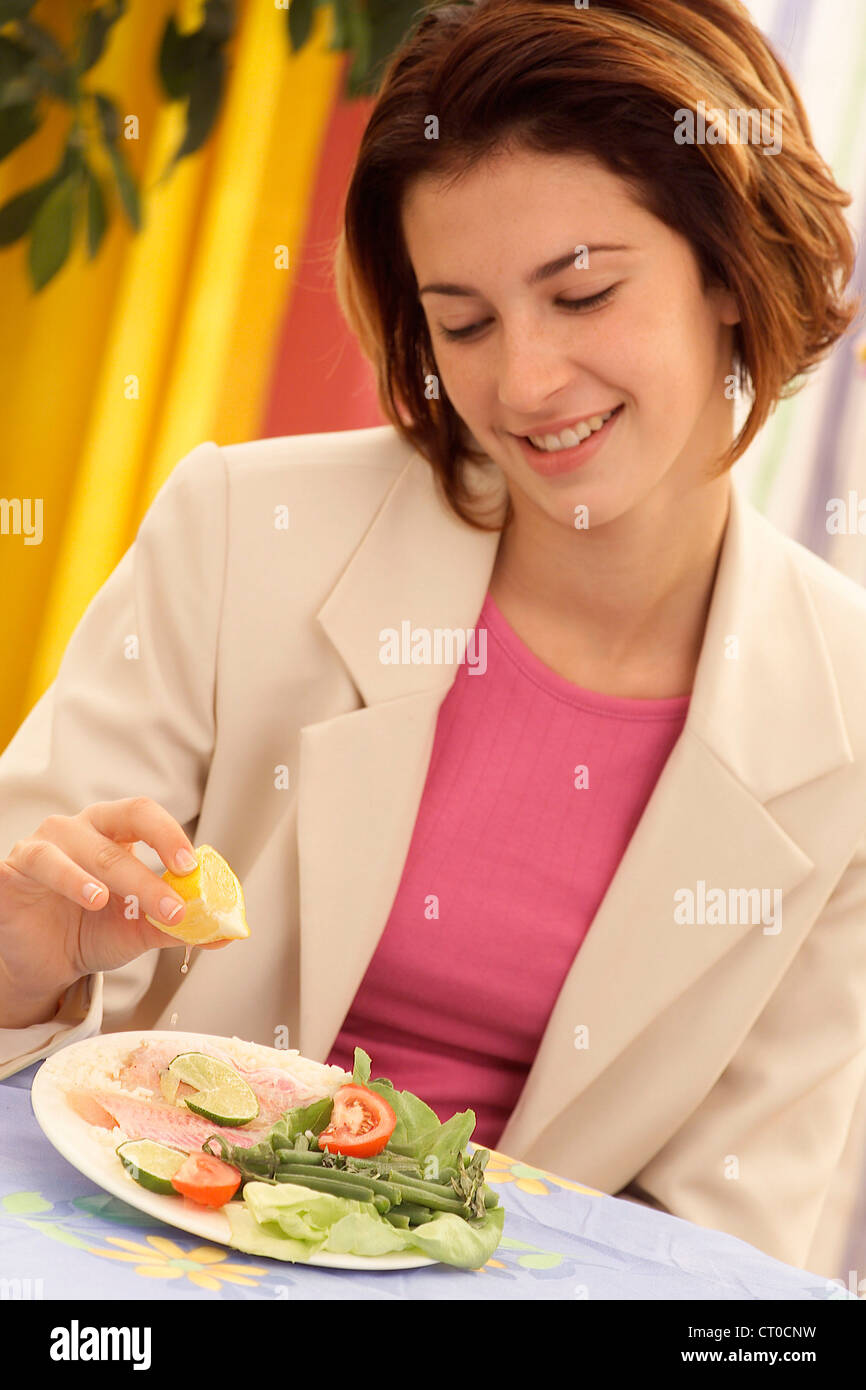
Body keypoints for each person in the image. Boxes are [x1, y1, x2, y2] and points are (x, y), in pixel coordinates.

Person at [1, 0, 864, 1281]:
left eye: (581, 292)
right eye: (462, 322)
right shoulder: (246, 529)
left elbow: (724, 1257)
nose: (522, 382)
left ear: (731, 271)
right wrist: (27, 965)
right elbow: (30, 996)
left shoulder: (841, 715)